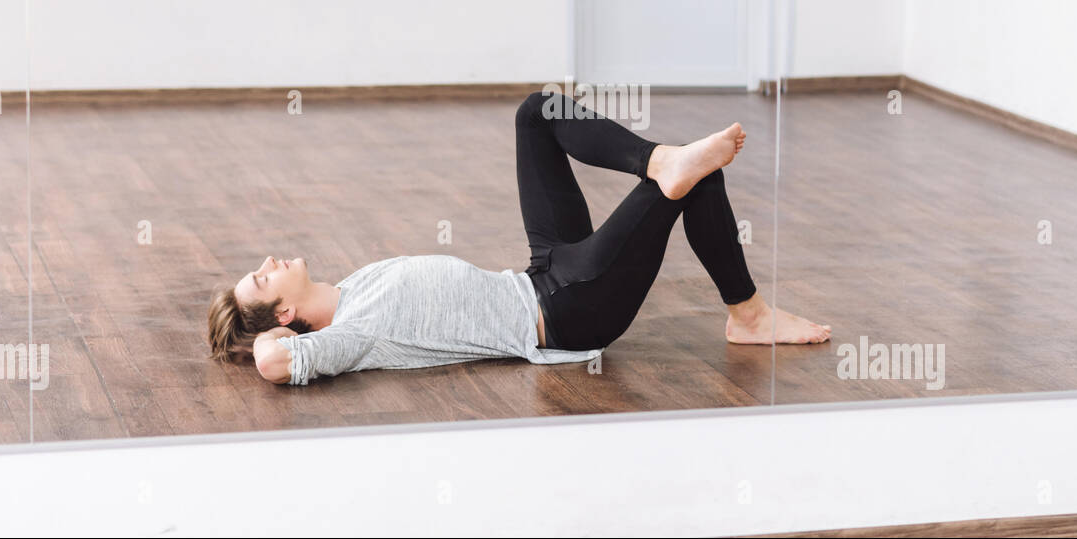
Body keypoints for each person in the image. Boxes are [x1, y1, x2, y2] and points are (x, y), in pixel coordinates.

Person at [206, 91, 831, 385]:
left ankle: (658, 157)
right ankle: (747, 315)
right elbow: (273, 362)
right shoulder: (351, 336)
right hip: (567, 311)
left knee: (537, 114)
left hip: (542, 271)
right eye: (262, 278)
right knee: (695, 178)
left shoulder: (352, 288)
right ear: (283, 313)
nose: (268, 261)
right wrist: (269, 338)